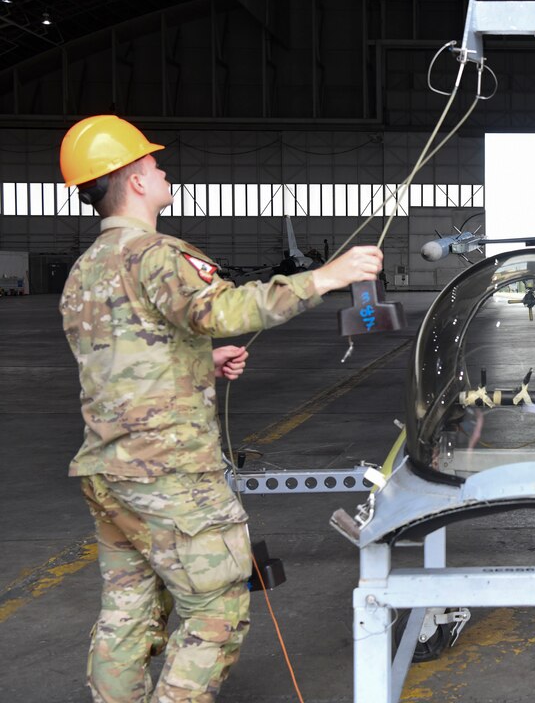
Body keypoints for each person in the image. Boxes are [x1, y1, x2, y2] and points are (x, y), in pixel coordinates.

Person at [58, 114, 384, 703]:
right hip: (169, 474)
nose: (162, 169)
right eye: (153, 163)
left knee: (126, 613)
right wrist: (326, 277)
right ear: (134, 181)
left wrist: (195, 365)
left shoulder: (86, 269)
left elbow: (114, 358)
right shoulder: (156, 255)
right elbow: (223, 312)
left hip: (108, 472)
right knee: (216, 607)